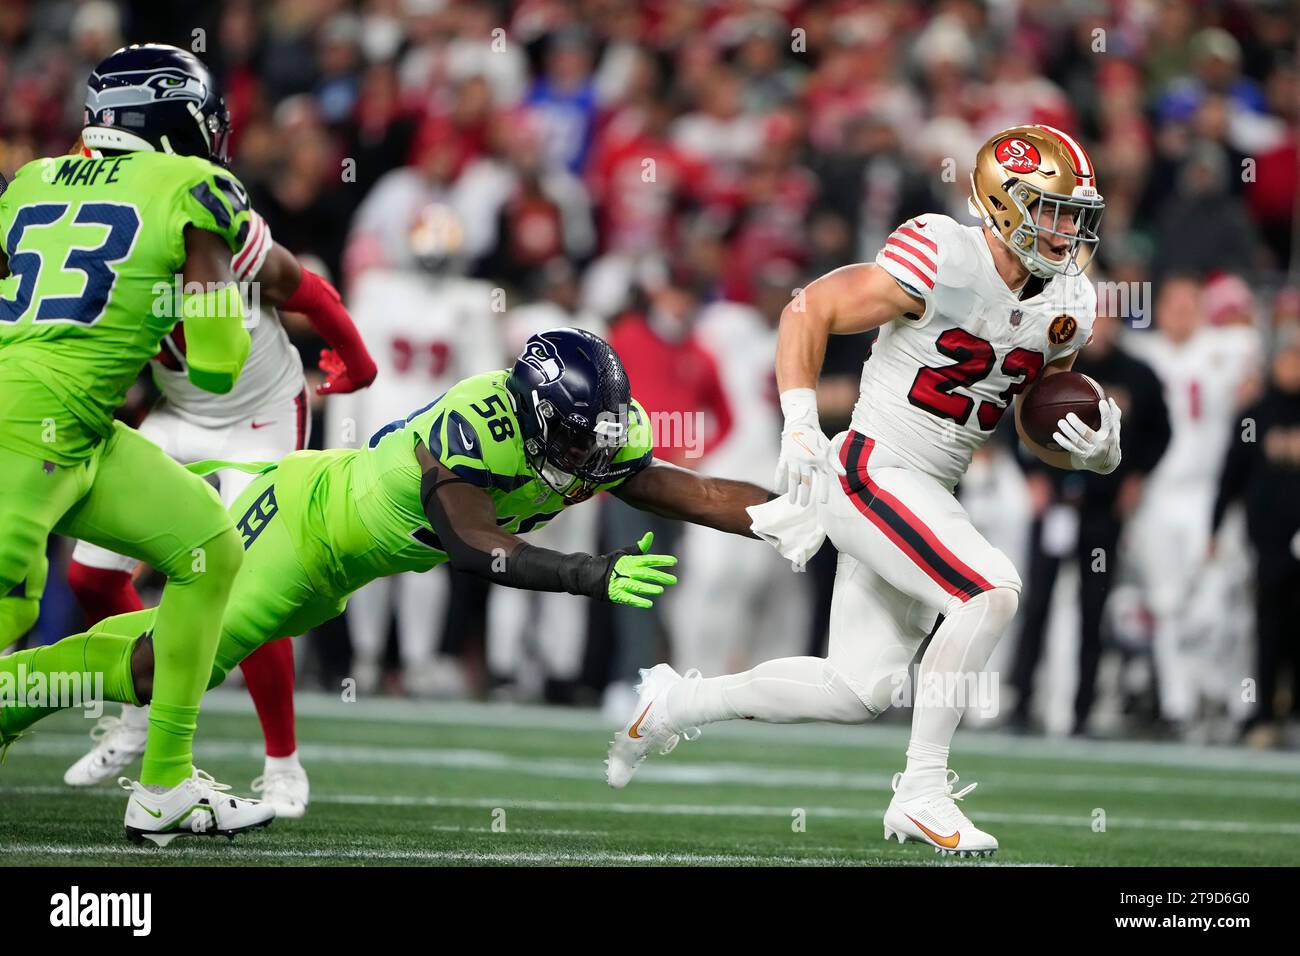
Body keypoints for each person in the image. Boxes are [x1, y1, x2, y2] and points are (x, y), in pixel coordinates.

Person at [0, 328, 774, 845]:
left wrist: (808, 516)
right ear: (534, 415)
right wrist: (589, 574)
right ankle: (11, 697)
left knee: (167, 656)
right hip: (304, 529)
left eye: (593, 440)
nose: (586, 459)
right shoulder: (478, 424)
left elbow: (698, 494)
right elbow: (475, 547)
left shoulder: (597, 432)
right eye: (570, 439)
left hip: (344, 567)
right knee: (166, 666)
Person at [605, 125, 1120, 859]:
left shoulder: (1070, 297)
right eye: (1052, 209)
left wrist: (1095, 453)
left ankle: (676, 702)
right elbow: (808, 309)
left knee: (858, 689)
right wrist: (799, 421)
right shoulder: (943, 252)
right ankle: (922, 790)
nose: (1068, 229)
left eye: (1076, 213)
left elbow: (1033, 417)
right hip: (874, 466)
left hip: (930, 483)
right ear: (1004, 206)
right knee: (989, 591)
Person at [0, 44, 269, 842]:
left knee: (208, 547)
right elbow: (219, 367)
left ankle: (165, 786)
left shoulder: (29, 182)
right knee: (8, 608)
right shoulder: (195, 187)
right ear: (172, 115)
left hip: (69, 422)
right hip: (32, 427)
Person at [60, 155, 377, 821]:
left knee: (248, 581)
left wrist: (360, 364)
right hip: (179, 412)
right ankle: (139, 708)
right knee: (89, 576)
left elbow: (310, 292)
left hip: (260, 415)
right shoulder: (90, 245)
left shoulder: (209, 221)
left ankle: (283, 762)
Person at [1009, 307, 1170, 736]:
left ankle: (1082, 709)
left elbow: (1161, 432)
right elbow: (1014, 419)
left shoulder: (1139, 373)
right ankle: (1020, 700)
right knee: (1036, 601)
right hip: (1056, 504)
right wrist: (1032, 478)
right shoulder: (1051, 362)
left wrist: (1137, 478)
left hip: (1103, 509)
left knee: (1092, 608)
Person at [1210, 330, 1300, 745]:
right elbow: (1231, 474)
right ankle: (1263, 711)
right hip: (1268, 540)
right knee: (1267, 626)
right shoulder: (1256, 414)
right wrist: (1214, 526)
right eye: (1288, 359)